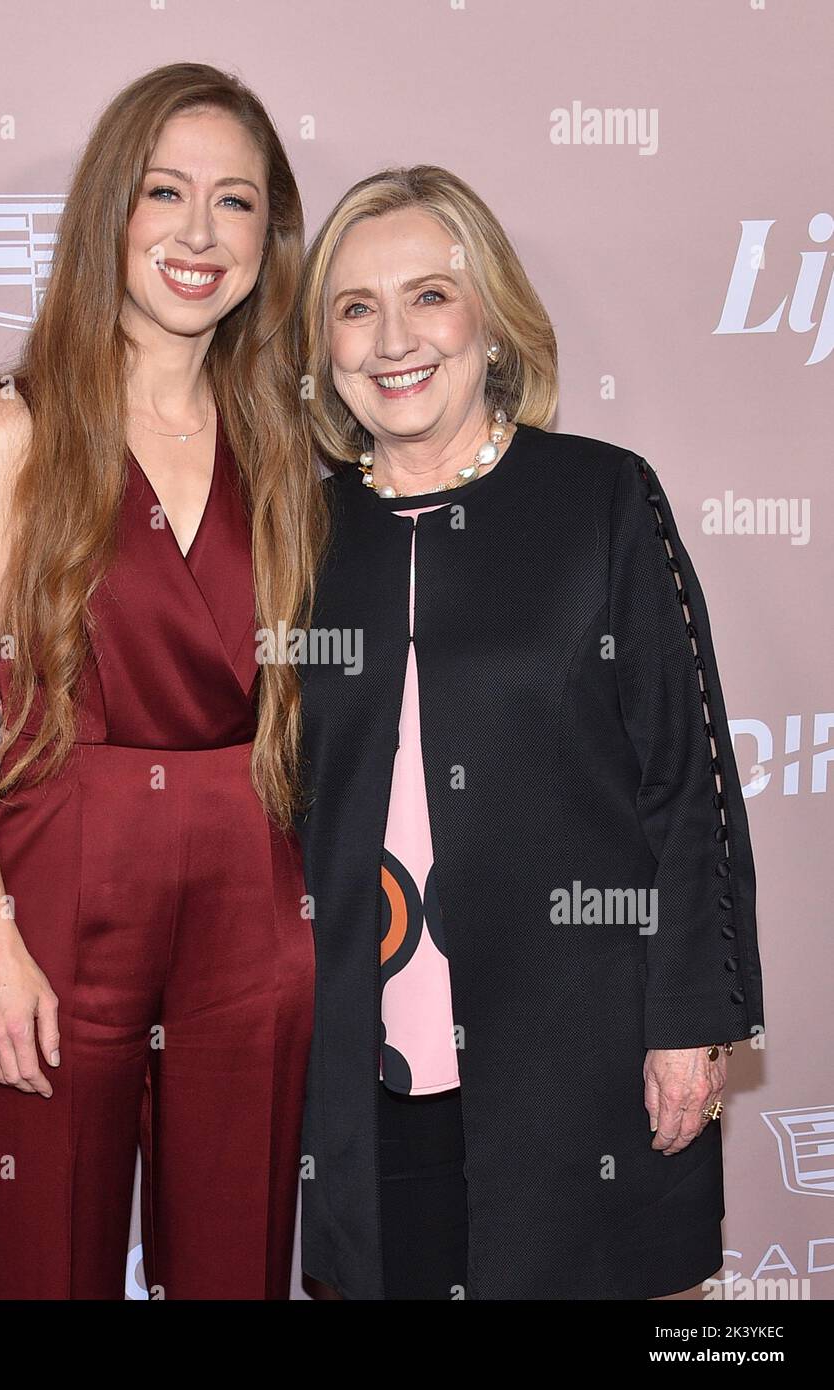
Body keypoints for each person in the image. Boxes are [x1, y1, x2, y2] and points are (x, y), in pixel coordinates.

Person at [293, 165, 765, 1300]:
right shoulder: (297, 531)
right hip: (365, 1076)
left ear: (490, 321)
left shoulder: (599, 499)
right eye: (355, 307)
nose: (393, 338)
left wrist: (691, 1023)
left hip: (584, 1056)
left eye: (429, 296)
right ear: (322, 348)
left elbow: (685, 778)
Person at [0, 63, 326, 1300]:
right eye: (166, 192)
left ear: (270, 233)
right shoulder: (16, 429)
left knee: (235, 1266)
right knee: (45, 1268)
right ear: (112, 213)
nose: (200, 235)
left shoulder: (292, 444)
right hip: (55, 891)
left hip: (253, 899)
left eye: (236, 202)